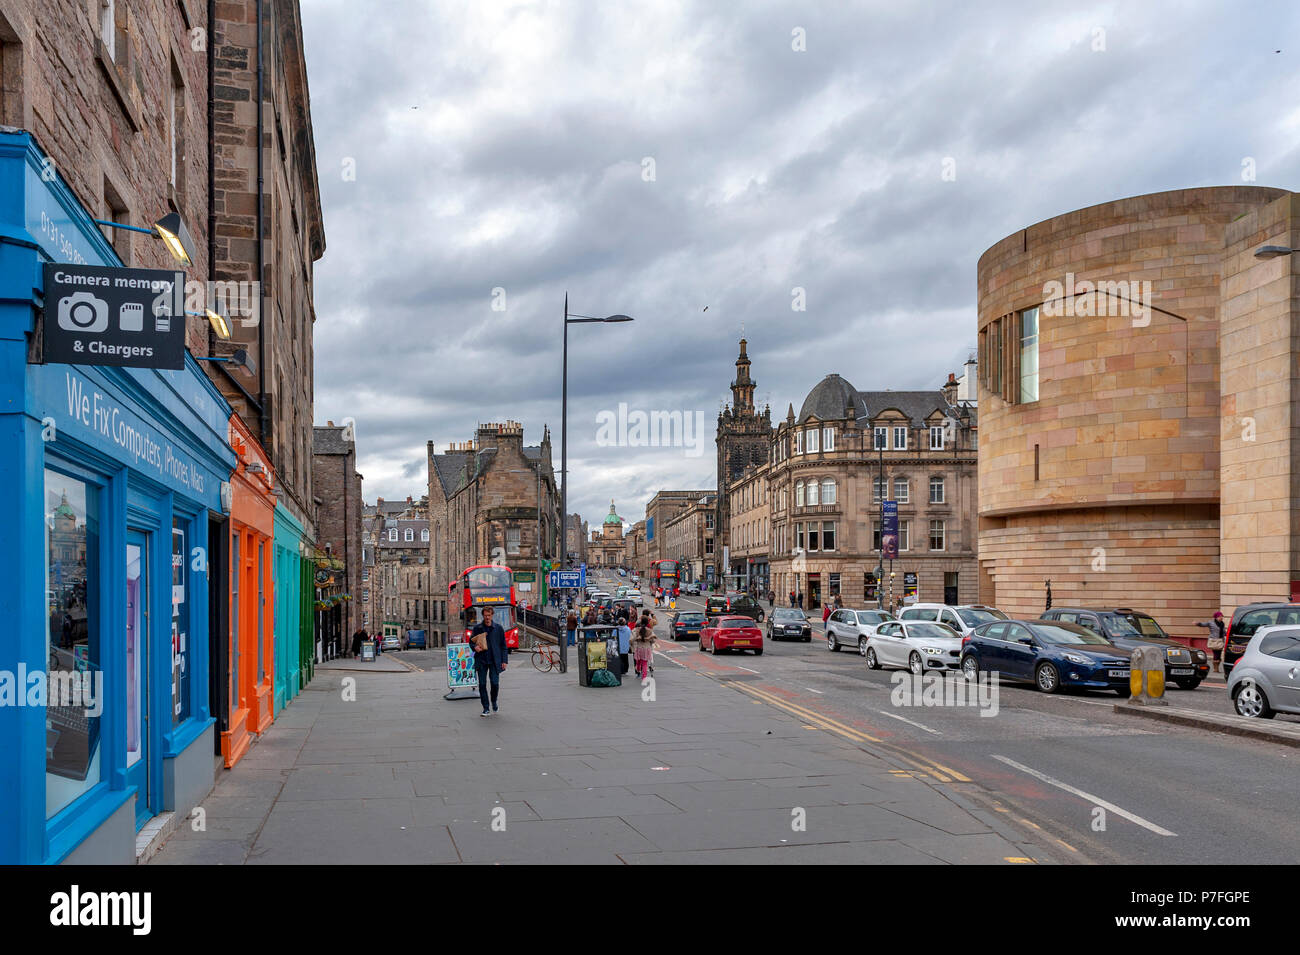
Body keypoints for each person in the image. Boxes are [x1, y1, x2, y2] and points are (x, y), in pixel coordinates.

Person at [469, 606, 509, 716]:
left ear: (492, 615)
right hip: (481, 660)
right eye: (485, 615)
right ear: (483, 615)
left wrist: (504, 661)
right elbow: (471, 641)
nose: (487, 617)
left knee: (495, 683)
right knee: (482, 684)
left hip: (495, 661)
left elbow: (503, 646)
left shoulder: (498, 628)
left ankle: (494, 701)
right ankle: (486, 708)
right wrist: (474, 647)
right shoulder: (478, 628)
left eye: (489, 615)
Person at [614, 613, 632, 677]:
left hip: (618, 646)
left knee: (619, 659)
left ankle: (620, 670)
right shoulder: (628, 629)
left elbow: (613, 637)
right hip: (626, 646)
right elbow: (630, 637)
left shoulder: (615, 629)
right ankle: (625, 670)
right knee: (625, 658)